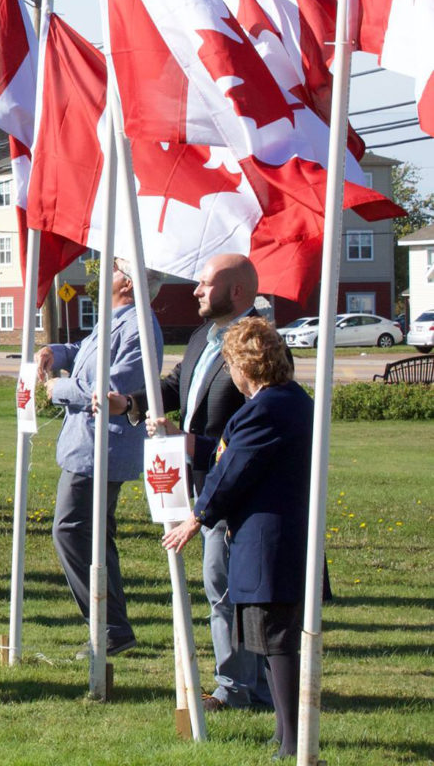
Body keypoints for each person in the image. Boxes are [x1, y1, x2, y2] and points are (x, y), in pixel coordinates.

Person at [112, 253, 272, 712]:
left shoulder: (259, 340)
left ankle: (237, 688)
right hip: (198, 479)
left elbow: (257, 422)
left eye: (204, 284)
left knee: (224, 587)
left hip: (237, 487)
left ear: (237, 291)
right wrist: (130, 402)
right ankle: (248, 684)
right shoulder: (206, 334)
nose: (196, 291)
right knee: (220, 586)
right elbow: (181, 384)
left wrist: (192, 443)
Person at [158, 317, 311, 759]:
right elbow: (233, 452)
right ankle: (285, 733)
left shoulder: (265, 408)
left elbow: (233, 472)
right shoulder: (286, 400)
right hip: (276, 539)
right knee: (271, 640)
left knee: (278, 643)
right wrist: (188, 443)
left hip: (269, 541)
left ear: (245, 367)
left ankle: (293, 739)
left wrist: (196, 518)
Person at [35, 259, 162, 657]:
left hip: (100, 449)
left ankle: (108, 627)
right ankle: (111, 629)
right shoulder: (117, 319)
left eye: (112, 268)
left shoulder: (140, 326)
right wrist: (53, 352)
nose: (102, 274)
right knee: (92, 537)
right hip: (88, 446)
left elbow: (108, 390)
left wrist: (56, 388)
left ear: (126, 282)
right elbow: (83, 352)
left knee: (70, 530)